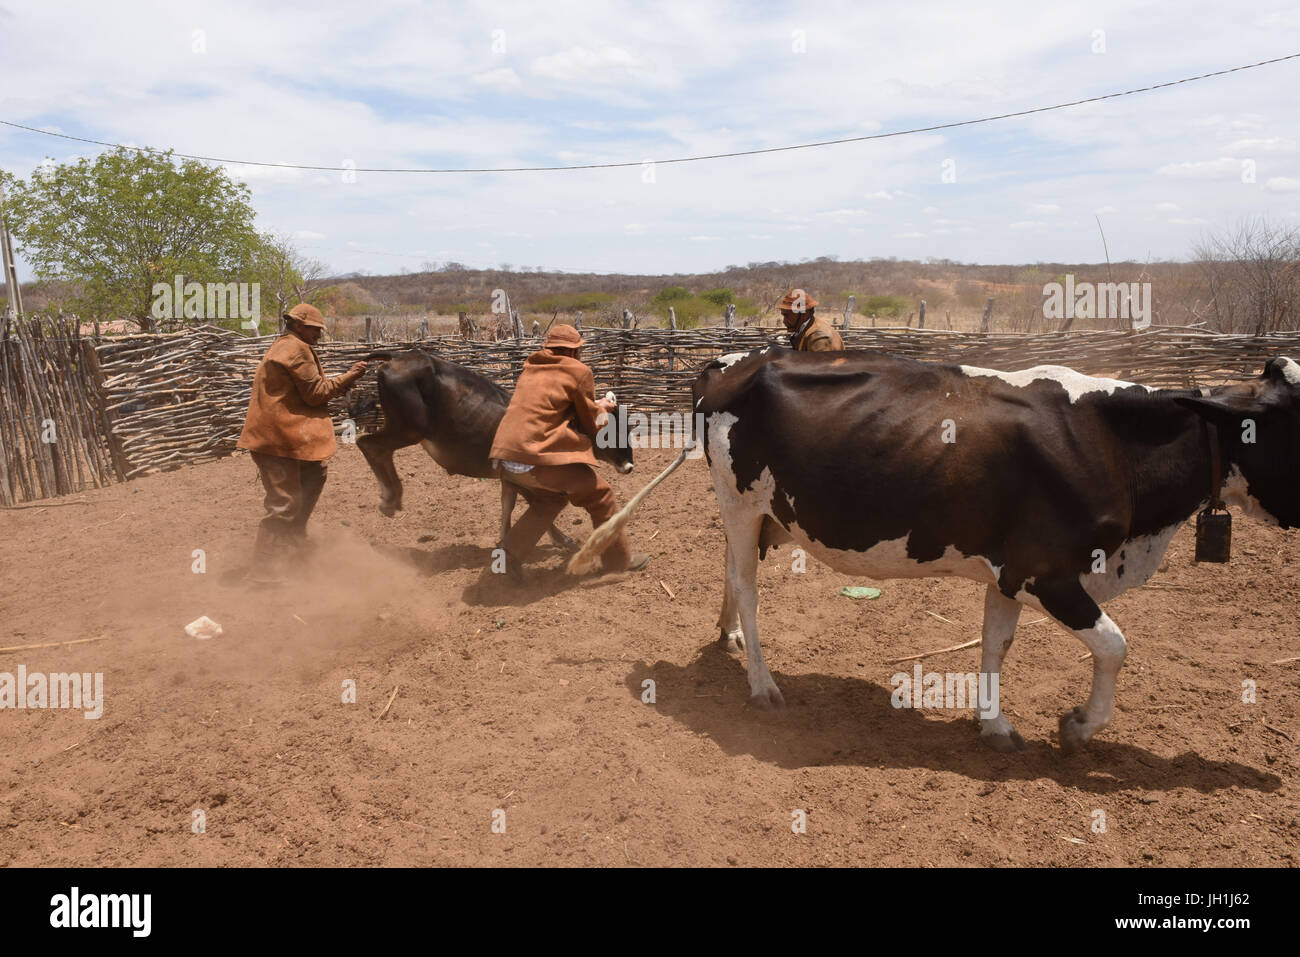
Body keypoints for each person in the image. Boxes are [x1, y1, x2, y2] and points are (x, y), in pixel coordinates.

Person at [489, 324, 650, 581]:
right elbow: (591, 423)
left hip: (504, 459)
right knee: (601, 495)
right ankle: (617, 562)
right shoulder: (578, 371)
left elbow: (551, 408)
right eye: (580, 351)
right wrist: (605, 409)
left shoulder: (531, 368)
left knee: (550, 500)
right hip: (534, 458)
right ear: (573, 352)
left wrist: (593, 406)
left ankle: (508, 557)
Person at [237, 303, 367, 583]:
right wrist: (350, 375)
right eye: (315, 329)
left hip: (283, 436)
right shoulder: (296, 350)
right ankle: (264, 573)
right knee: (283, 503)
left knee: (314, 475)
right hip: (278, 439)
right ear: (298, 325)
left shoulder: (286, 345)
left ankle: (292, 546)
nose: (319, 334)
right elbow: (316, 394)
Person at [779, 288, 844, 351]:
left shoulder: (818, 338)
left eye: (787, 316)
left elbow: (822, 361)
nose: (784, 321)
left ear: (804, 314)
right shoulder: (808, 328)